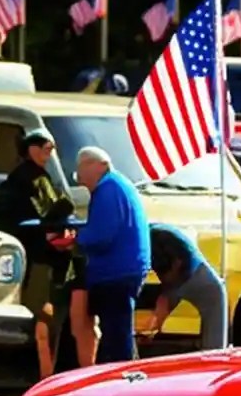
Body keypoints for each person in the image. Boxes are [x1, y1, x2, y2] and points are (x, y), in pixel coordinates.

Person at [0, 128, 76, 379]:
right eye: (46, 149)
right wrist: (61, 215)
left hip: (35, 253)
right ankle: (43, 372)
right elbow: (44, 215)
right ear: (32, 149)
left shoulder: (31, 177)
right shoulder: (28, 180)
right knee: (43, 314)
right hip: (37, 256)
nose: (49, 154)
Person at [72, 147, 151, 364]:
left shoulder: (107, 189)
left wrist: (77, 238)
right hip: (126, 269)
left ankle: (121, 382)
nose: (80, 179)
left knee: (116, 337)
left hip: (115, 273)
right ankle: (128, 376)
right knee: (119, 332)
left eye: (80, 170)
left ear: (95, 165)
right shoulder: (119, 185)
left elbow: (102, 235)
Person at [140, 223, 227, 351]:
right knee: (161, 310)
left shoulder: (160, 237)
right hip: (178, 277)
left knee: (214, 348)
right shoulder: (148, 239)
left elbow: (170, 282)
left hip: (204, 284)